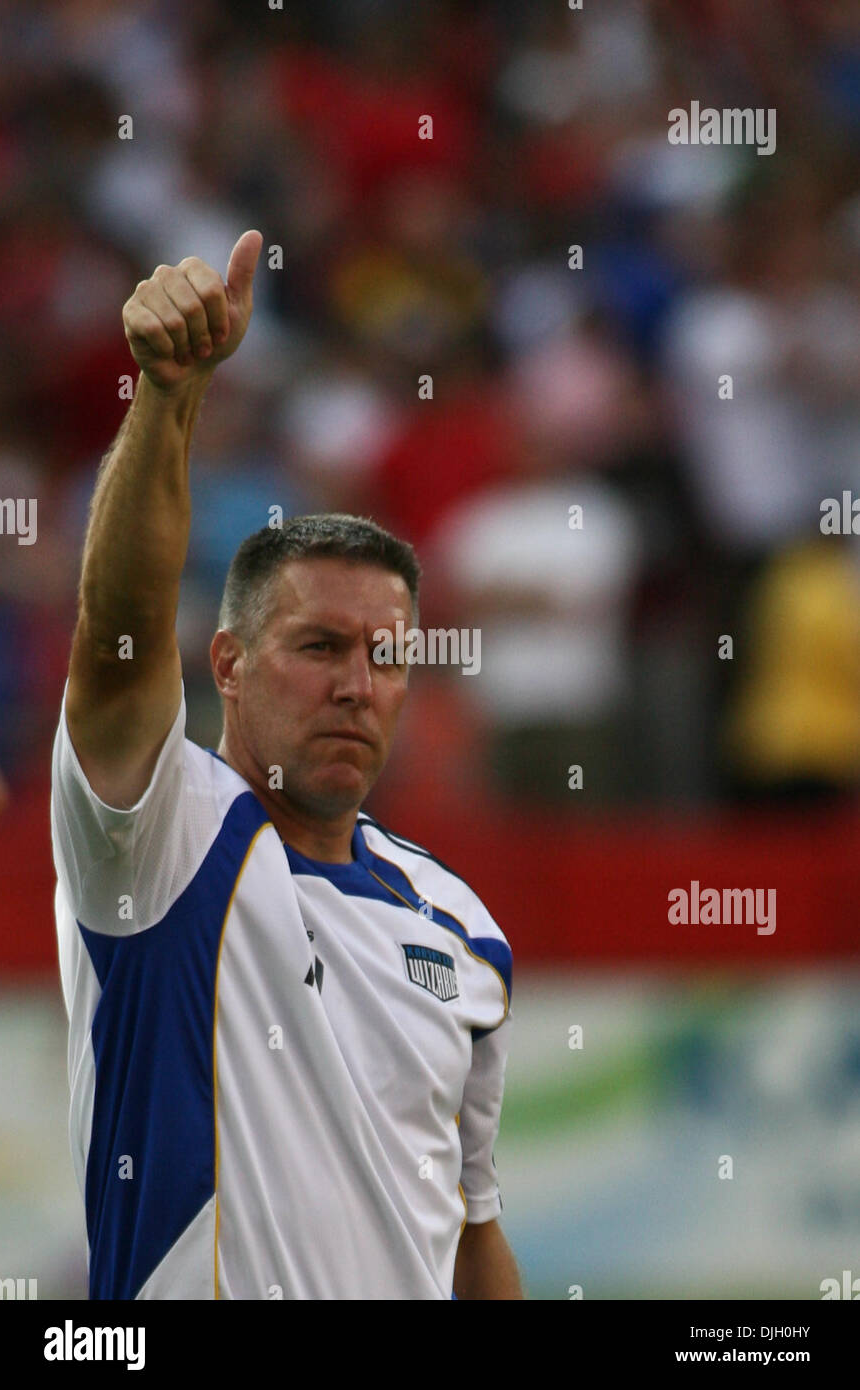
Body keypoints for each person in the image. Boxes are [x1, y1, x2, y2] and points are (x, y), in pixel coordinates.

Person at [50, 230, 521, 1300]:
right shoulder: (160, 837)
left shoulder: (463, 927)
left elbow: (471, 1236)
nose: (357, 684)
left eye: (385, 656)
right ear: (229, 661)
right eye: (317, 647)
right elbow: (116, 639)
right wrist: (168, 398)